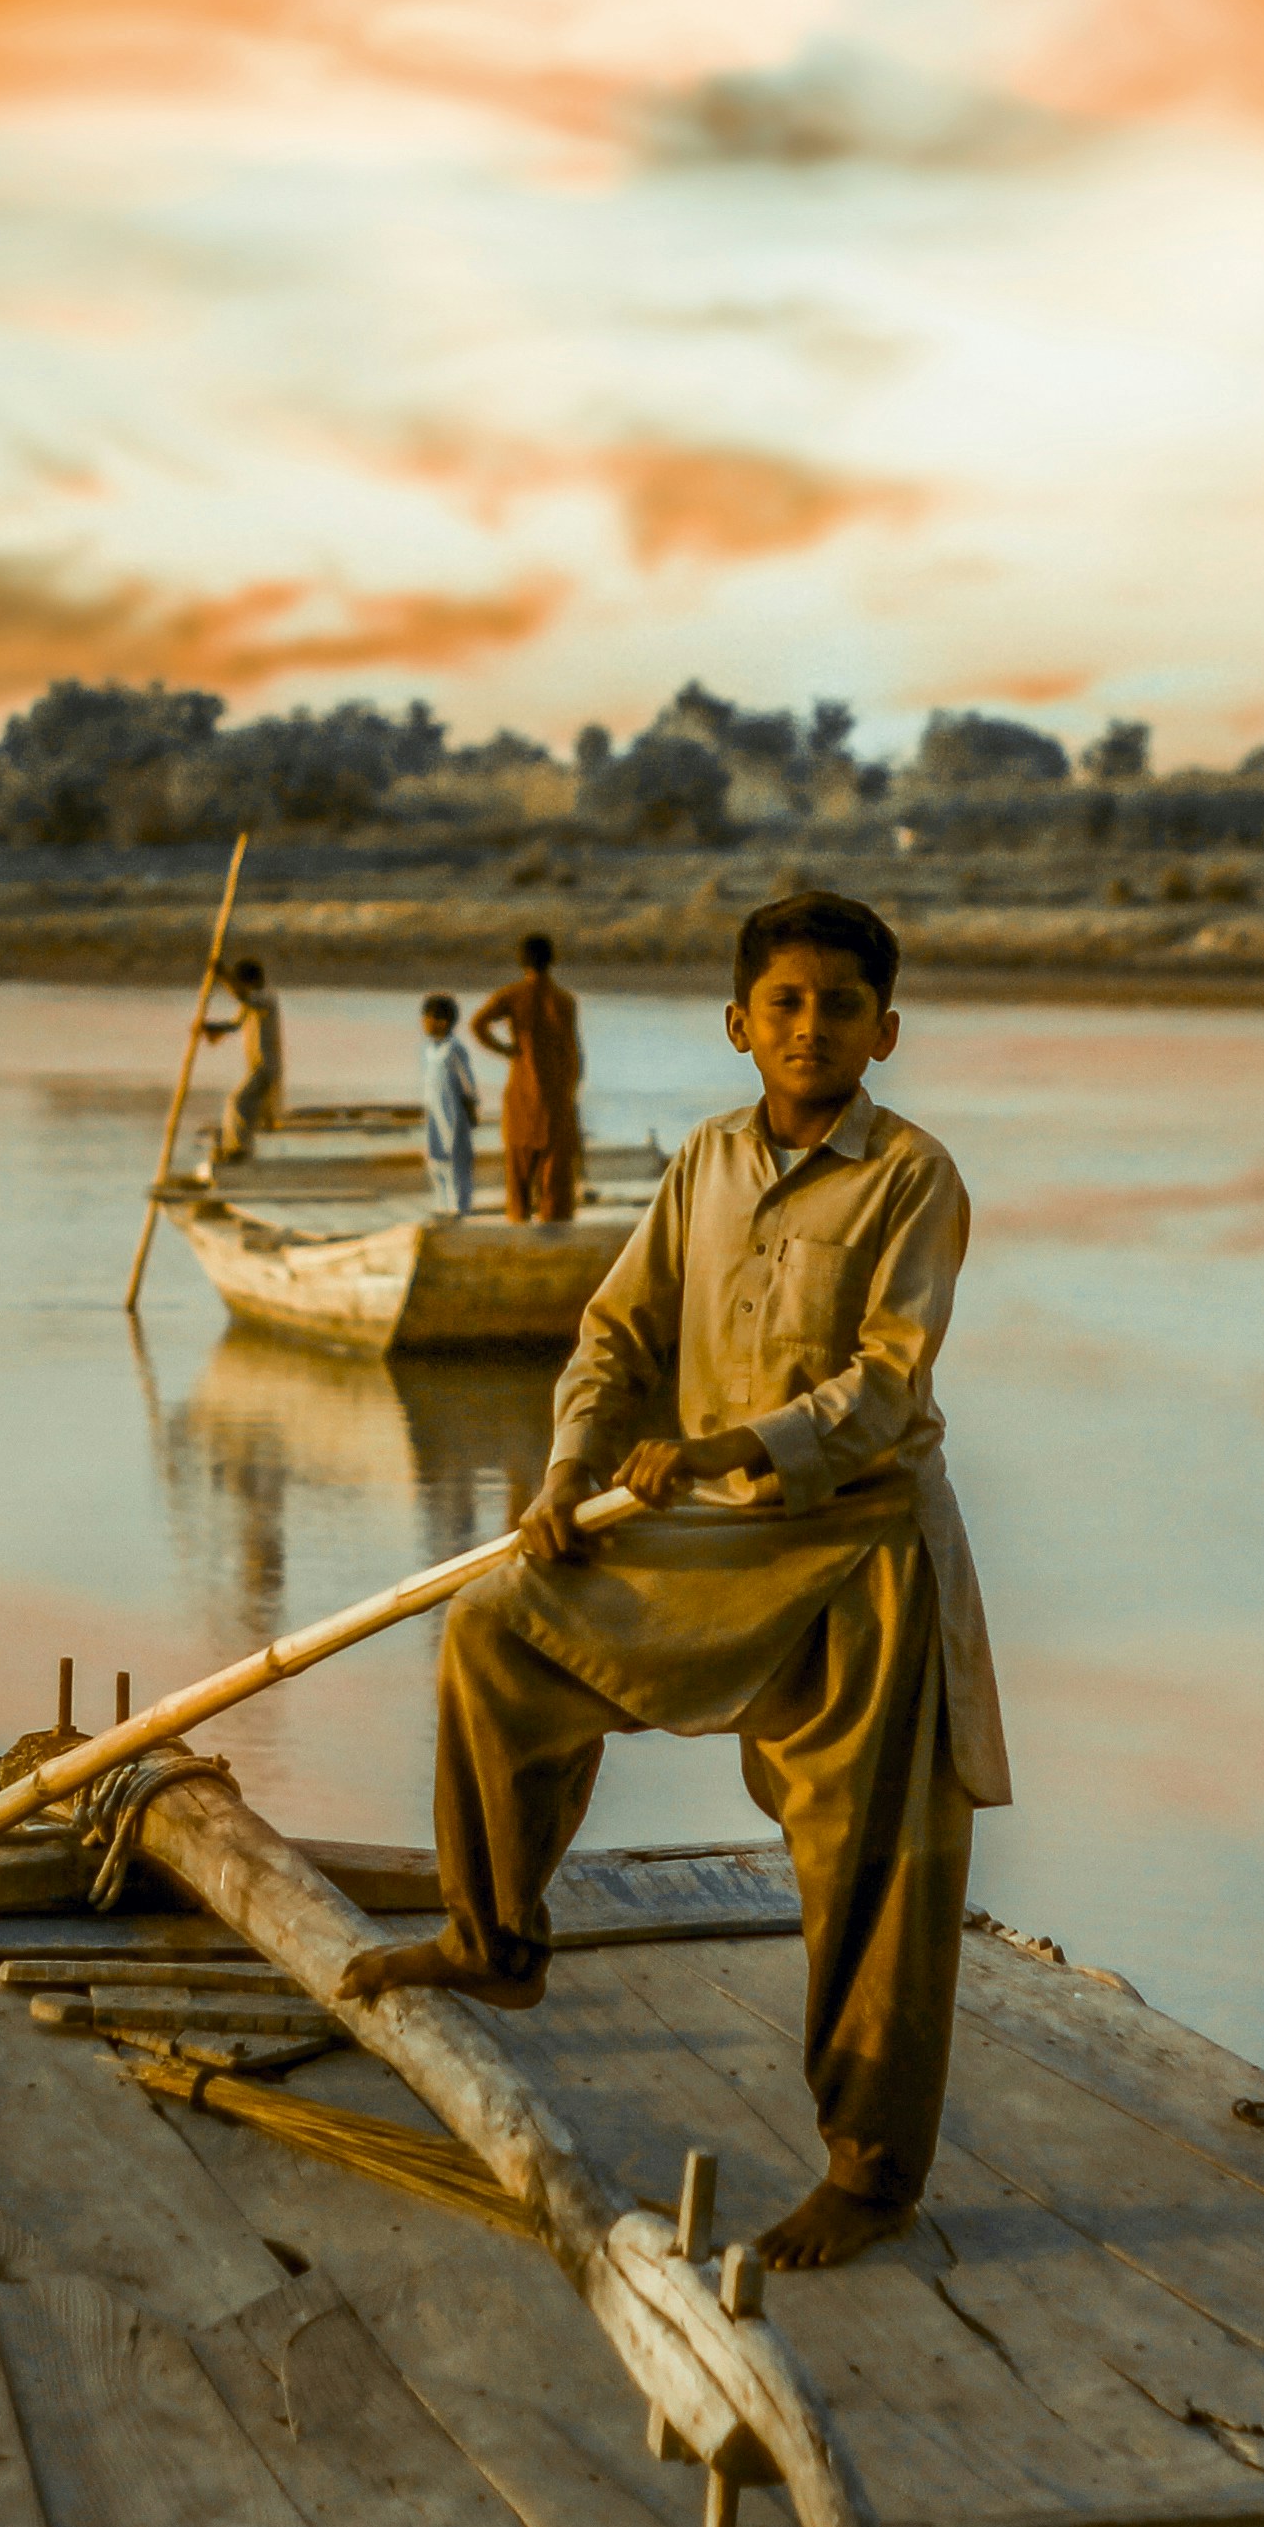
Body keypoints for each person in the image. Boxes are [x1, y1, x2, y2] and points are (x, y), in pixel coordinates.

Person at [349, 892, 1006, 2270]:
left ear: (886, 1030)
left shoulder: (913, 1178)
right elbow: (615, 1334)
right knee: (501, 1629)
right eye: (784, 1003)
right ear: (739, 1026)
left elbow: (884, 1393)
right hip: (712, 1540)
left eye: (840, 1004)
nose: (811, 1025)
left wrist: (720, 1445)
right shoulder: (704, 1165)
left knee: (870, 1868)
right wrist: (568, 1466)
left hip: (860, 1547)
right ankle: (494, 1932)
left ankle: (873, 2175)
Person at [472, 934, 583, 1221]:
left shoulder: (513, 995)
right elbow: (573, 1055)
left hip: (522, 1093)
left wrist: (507, 1049)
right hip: (556, 1096)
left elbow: (478, 1024)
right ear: (552, 960)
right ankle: (555, 1242)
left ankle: (519, 1234)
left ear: (522, 961)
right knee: (555, 1184)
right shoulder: (563, 1000)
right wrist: (571, 1093)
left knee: (518, 1178)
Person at [198, 957, 284, 1151]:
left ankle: (239, 1151)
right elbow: (234, 1025)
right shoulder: (252, 1002)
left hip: (265, 1069)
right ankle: (237, 1147)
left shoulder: (265, 998)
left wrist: (223, 976)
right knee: (245, 1108)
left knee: (237, 1103)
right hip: (257, 1068)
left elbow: (242, 995)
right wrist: (208, 1028)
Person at [417, 993, 482, 1217]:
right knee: (435, 1158)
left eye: (428, 1018)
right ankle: (442, 1204)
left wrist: (472, 1110)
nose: (423, 1022)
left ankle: (460, 1207)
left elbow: (468, 1083)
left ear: (443, 1022)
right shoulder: (428, 1049)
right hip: (434, 1112)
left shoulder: (454, 1048)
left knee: (456, 1159)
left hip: (453, 1113)